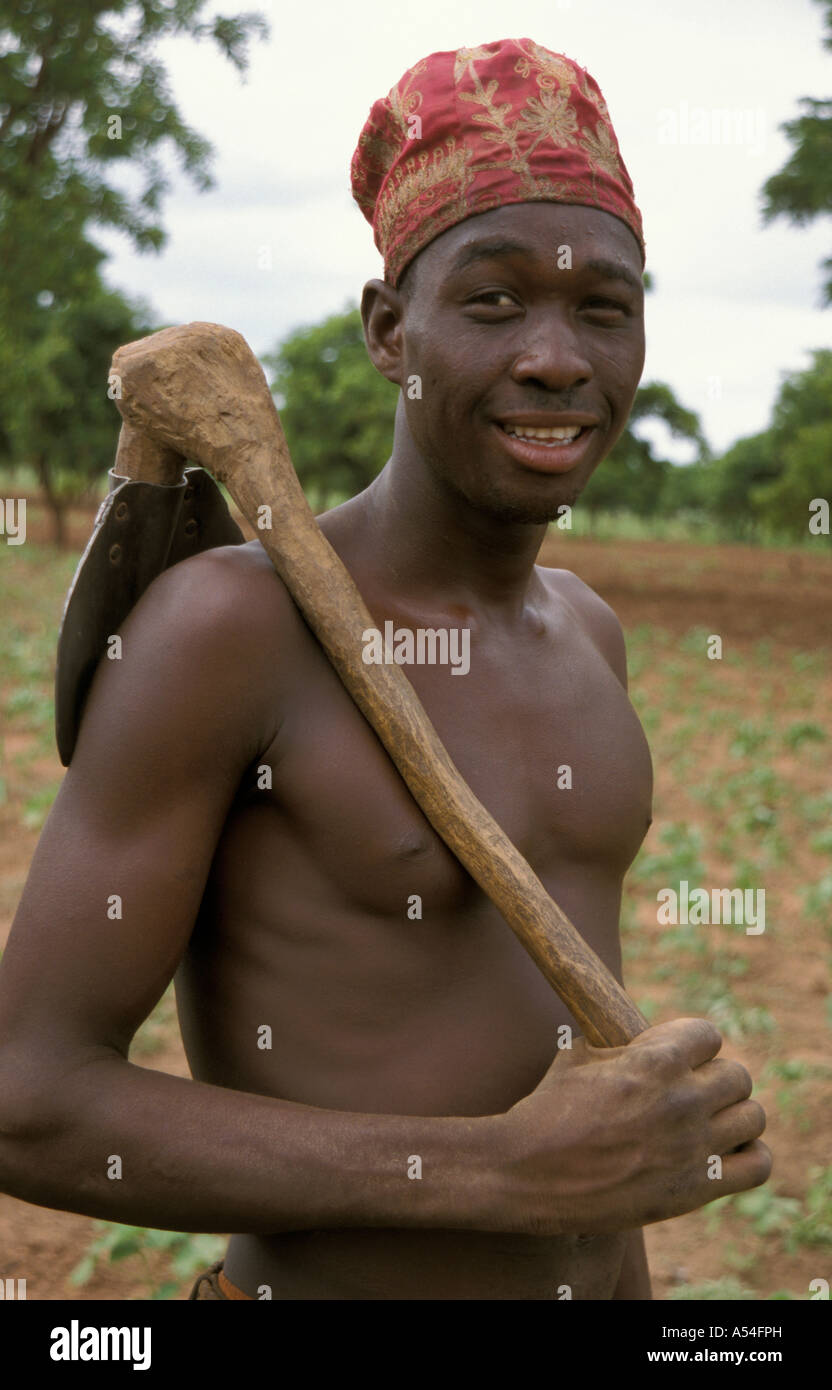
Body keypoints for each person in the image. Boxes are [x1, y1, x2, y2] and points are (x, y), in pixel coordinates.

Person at [0, 37, 770, 1301]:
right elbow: (28, 1094)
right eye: (490, 300)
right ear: (386, 331)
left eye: (601, 308)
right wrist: (498, 1176)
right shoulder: (228, 630)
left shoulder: (588, 629)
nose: (556, 359)